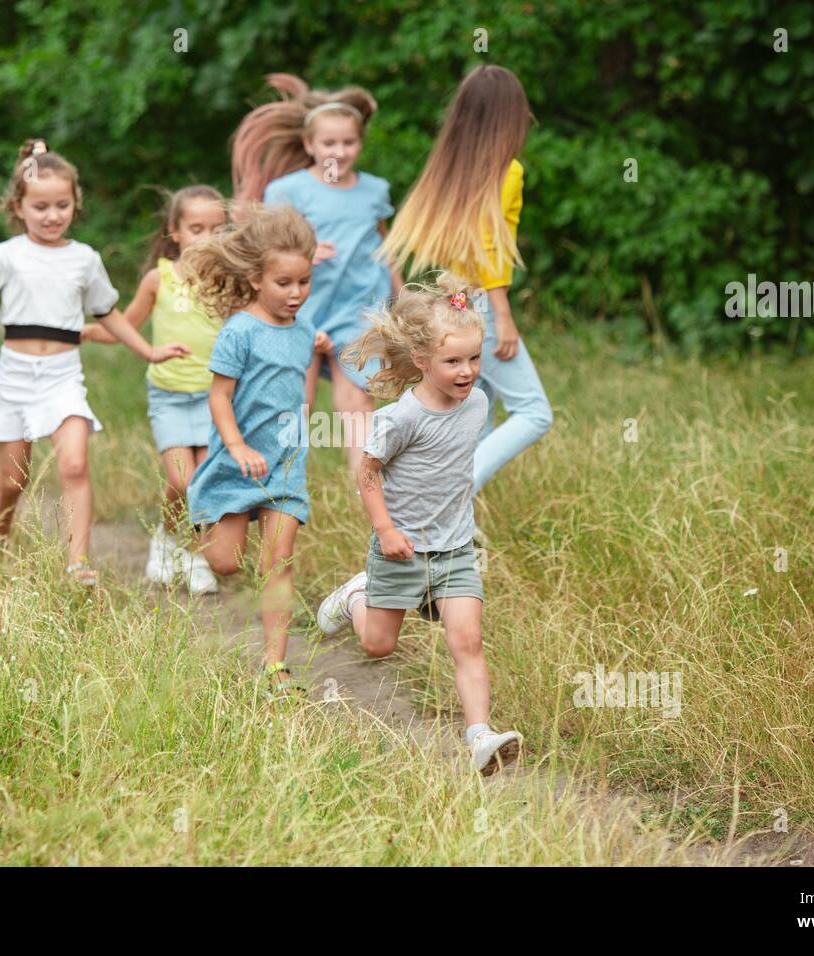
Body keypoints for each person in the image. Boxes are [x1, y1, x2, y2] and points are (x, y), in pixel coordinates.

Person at [319, 274, 523, 774]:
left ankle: (479, 736)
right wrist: (386, 531)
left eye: (474, 358)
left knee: (467, 640)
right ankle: (356, 597)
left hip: (454, 550)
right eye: (453, 361)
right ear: (421, 360)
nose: (467, 371)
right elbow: (368, 474)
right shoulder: (399, 419)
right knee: (378, 646)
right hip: (400, 549)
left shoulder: (477, 404)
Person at [0, 138, 118, 585]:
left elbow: (110, 312)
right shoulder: (6, 255)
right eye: (41, 206)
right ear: (19, 206)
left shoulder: (85, 259)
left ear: (75, 203)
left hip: (64, 376)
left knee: (73, 464)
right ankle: (0, 533)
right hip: (16, 378)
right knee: (14, 481)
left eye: (63, 205)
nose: (53, 215)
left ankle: (78, 563)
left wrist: (140, 345)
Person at [378, 65, 553, 503]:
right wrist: (503, 313)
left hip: (458, 299)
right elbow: (490, 246)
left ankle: (457, 535)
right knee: (534, 412)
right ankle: (453, 488)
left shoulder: (452, 169)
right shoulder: (506, 171)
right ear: (510, 115)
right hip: (482, 305)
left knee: (479, 415)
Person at [180, 205, 332, 698]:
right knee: (225, 562)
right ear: (255, 278)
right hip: (235, 462)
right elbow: (219, 397)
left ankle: (276, 667)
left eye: (303, 282)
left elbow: (299, 393)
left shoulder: (304, 331)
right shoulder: (240, 331)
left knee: (278, 562)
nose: (295, 294)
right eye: (284, 283)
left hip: (286, 464)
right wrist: (239, 445)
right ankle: (201, 527)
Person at [232, 73, 402, 477]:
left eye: (349, 143)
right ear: (309, 145)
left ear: (360, 143)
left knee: (359, 405)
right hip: (300, 312)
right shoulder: (286, 191)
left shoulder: (374, 190)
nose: (339, 152)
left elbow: (385, 248)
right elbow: (266, 252)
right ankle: (281, 488)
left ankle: (367, 499)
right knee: (295, 407)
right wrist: (304, 250)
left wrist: (403, 299)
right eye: (329, 143)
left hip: (360, 314)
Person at [81, 185, 227, 594]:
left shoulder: (231, 281)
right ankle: (165, 538)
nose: (208, 237)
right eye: (197, 227)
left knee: (204, 481)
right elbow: (126, 323)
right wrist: (88, 332)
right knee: (182, 480)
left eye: (218, 228)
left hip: (217, 398)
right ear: (175, 231)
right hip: (171, 396)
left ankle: (197, 554)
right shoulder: (158, 278)